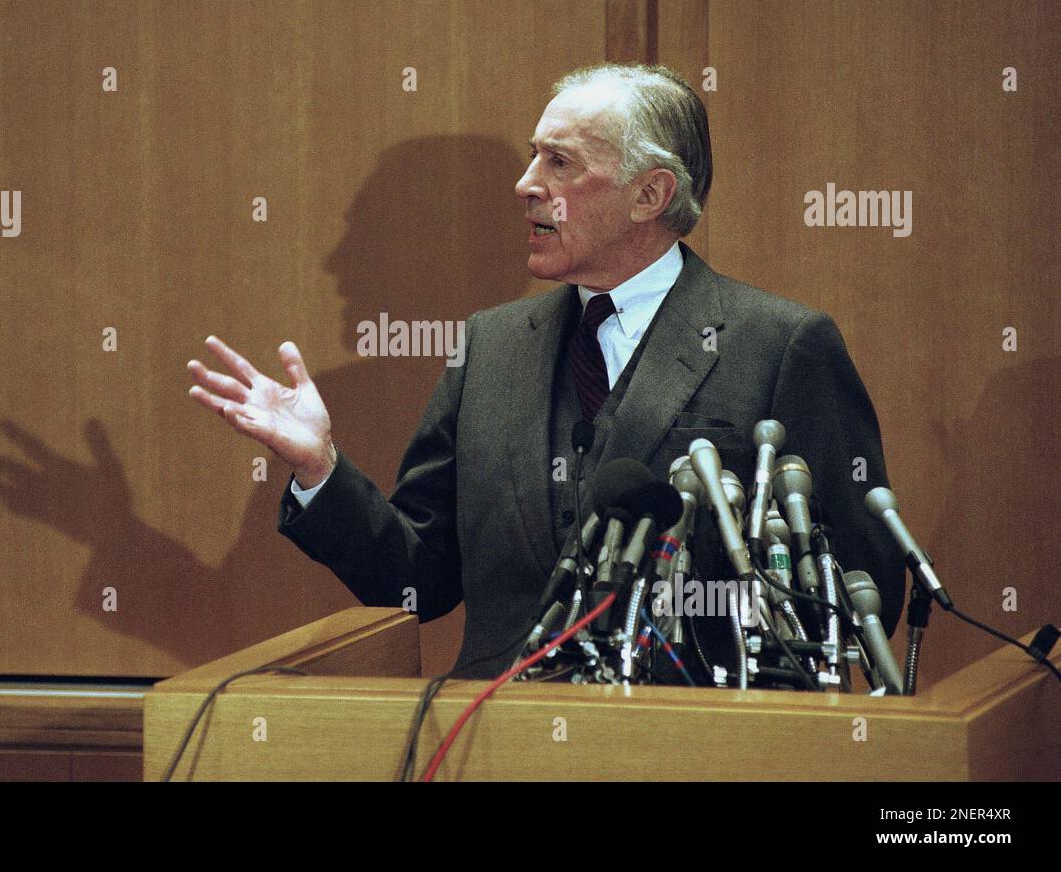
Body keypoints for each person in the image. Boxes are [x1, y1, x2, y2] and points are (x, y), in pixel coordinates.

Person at [188, 63, 905, 681]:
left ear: (649, 194)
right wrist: (321, 469)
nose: (525, 184)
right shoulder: (490, 346)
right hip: (499, 745)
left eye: (559, 163)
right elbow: (419, 580)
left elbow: (865, 586)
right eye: (534, 158)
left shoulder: (781, 344)